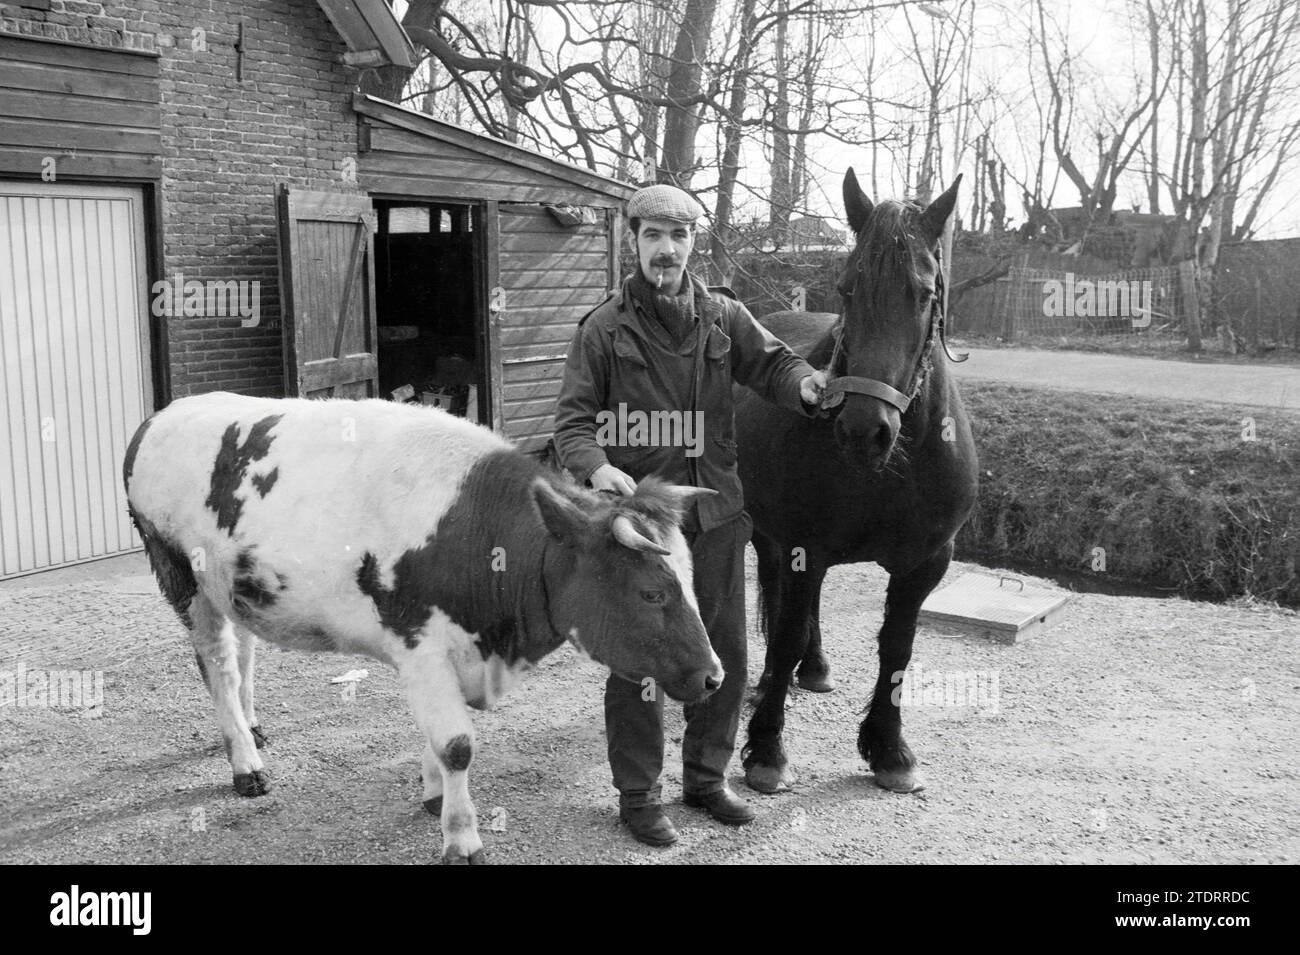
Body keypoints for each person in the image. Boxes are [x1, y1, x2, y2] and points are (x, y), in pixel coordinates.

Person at [552, 183, 827, 846]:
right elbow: (571, 423)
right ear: (633, 241)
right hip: (645, 526)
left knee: (724, 647)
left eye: (678, 236)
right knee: (643, 653)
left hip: (718, 514)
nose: (666, 249)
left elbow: (775, 365)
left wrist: (808, 387)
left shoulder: (722, 317)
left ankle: (706, 777)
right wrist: (595, 466)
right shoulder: (603, 329)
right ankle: (640, 793)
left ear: (692, 242)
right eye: (653, 235)